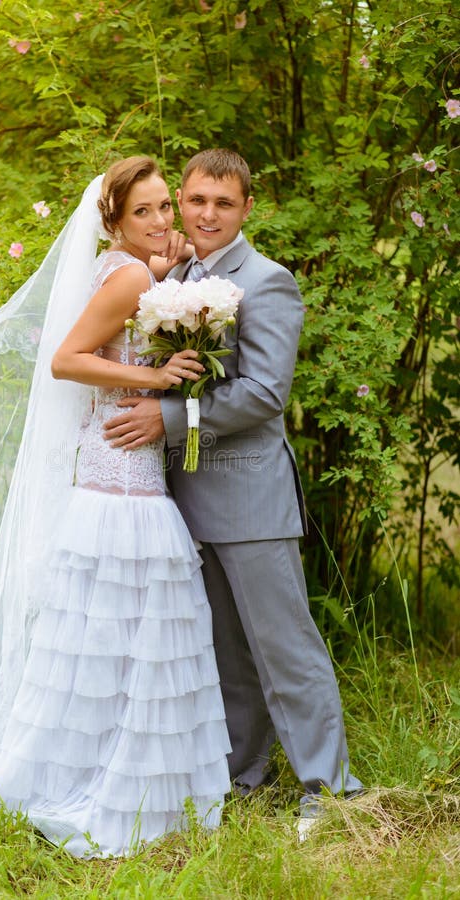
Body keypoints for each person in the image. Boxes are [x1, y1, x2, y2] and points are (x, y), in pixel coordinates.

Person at [0, 157, 231, 857]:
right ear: (112, 220)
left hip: (123, 470)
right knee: (124, 623)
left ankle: (104, 764)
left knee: (107, 633)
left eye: (165, 206)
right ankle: (113, 782)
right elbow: (68, 358)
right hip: (119, 476)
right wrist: (156, 374)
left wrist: (169, 280)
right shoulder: (131, 275)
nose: (162, 220)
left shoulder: (133, 270)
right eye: (144, 211)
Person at [103, 149, 364, 837]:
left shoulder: (266, 282)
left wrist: (163, 421)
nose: (206, 213)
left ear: (247, 207)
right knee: (223, 653)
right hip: (186, 498)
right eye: (195, 201)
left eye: (222, 202)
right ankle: (246, 780)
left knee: (284, 650)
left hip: (249, 499)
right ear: (181, 204)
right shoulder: (178, 275)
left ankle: (330, 792)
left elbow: (261, 393)